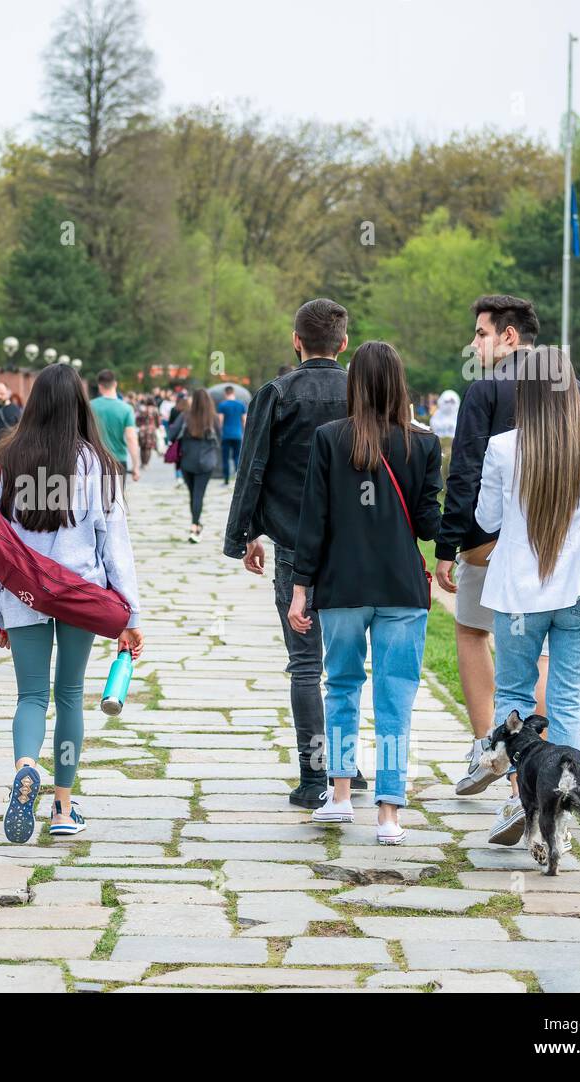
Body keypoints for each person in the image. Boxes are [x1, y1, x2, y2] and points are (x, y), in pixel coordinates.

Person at [433, 295, 580, 844]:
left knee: (474, 633)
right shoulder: (577, 391)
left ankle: (493, 751)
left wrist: (448, 545)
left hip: (499, 550)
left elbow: (464, 472)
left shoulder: (485, 391)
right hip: (571, 564)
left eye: (481, 334)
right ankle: (547, 780)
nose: (474, 345)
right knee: (559, 674)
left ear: (510, 338)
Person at [475, 350, 580, 849]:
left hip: (519, 595)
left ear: (523, 394)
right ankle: (559, 815)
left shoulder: (503, 448)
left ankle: (518, 797)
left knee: (514, 697)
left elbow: (485, 520)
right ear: (572, 392)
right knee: (569, 701)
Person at [0, 364, 143, 842]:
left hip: (23, 594)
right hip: (79, 596)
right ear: (79, 406)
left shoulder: (8, 464)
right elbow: (116, 547)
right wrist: (128, 615)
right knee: (69, 696)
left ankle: (25, 767)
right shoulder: (98, 465)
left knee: (31, 696)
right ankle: (64, 806)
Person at [288, 341, 443, 844]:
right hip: (401, 587)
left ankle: (338, 795)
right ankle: (390, 813)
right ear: (401, 385)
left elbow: (314, 521)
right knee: (397, 697)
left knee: (341, 687)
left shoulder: (330, 439)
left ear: (354, 384)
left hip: (343, 586)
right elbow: (427, 522)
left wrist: (299, 589)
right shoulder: (423, 443)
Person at [224, 298, 356, 809]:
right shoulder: (360, 391)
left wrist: (245, 534)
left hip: (295, 542)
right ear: (343, 343)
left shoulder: (277, 393)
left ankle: (314, 775)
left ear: (295, 340)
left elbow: (253, 465)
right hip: (354, 542)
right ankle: (349, 767)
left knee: (305, 662)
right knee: (349, 663)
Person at [170, 387, 220, 543]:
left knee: (193, 494)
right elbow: (220, 437)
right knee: (199, 494)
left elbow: (171, 435)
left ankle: (195, 525)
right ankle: (195, 525)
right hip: (207, 462)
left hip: (187, 461)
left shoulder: (185, 416)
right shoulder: (213, 418)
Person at [90, 369, 141, 489]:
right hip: (118, 460)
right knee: (116, 502)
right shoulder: (126, 409)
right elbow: (131, 438)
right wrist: (136, 466)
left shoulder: (89, 406)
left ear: (99, 386)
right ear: (115, 384)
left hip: (95, 460)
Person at [216, 386, 248, 483]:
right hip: (238, 435)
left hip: (226, 435)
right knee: (237, 457)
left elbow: (220, 422)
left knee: (225, 458)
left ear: (225, 393)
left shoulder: (222, 405)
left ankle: (226, 480)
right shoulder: (241, 405)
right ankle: (238, 479)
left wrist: (219, 433)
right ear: (233, 393)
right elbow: (244, 421)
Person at [135, 396, 161, 467]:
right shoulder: (151, 412)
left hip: (146, 432)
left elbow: (137, 421)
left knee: (146, 448)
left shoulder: (144, 411)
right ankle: (144, 463)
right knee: (144, 447)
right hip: (147, 432)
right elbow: (158, 423)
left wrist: (140, 426)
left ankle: (145, 463)